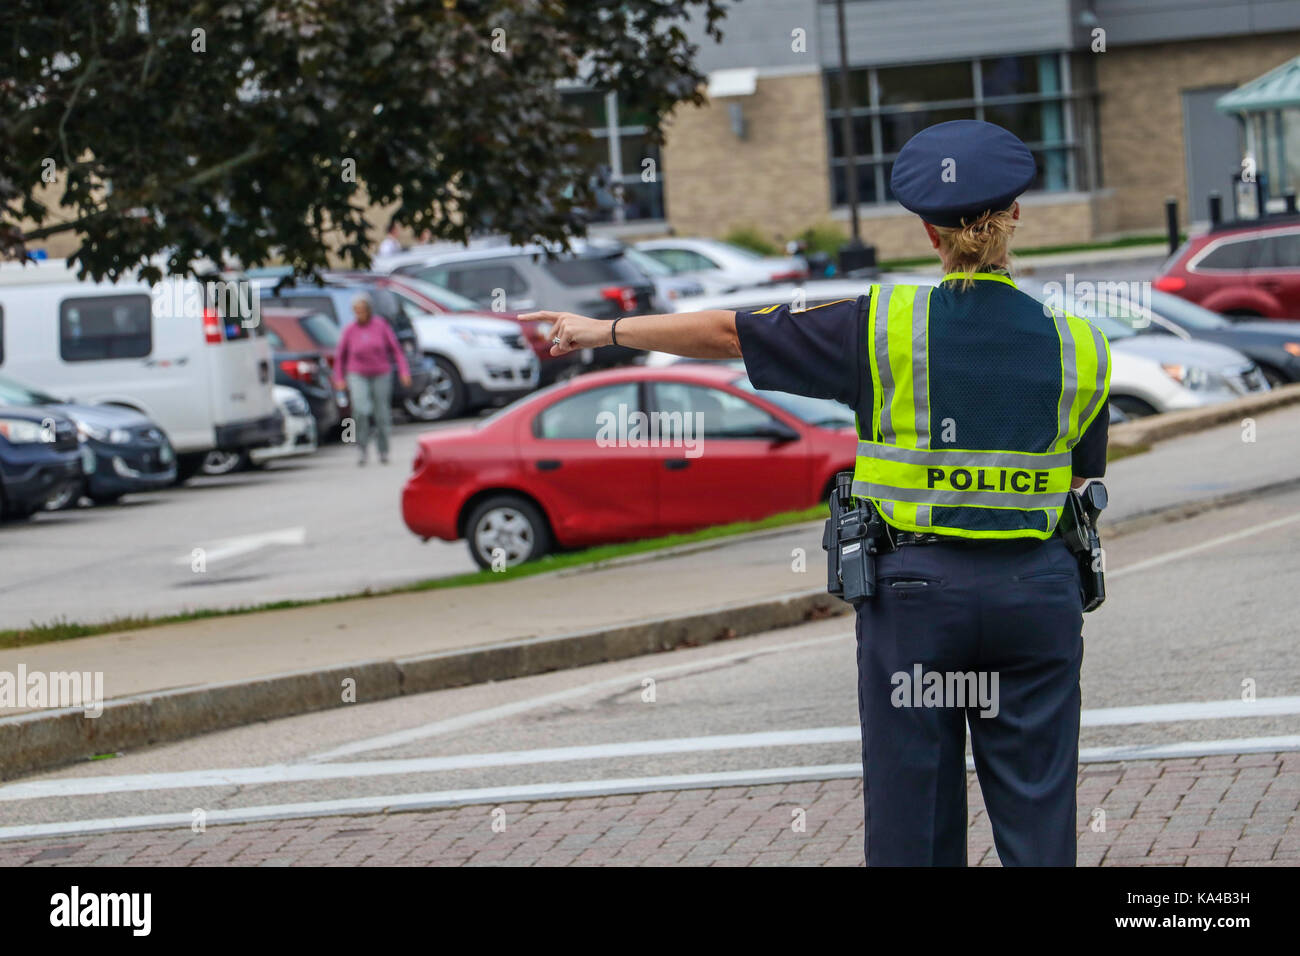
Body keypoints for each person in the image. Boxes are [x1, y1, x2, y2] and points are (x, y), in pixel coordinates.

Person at [522, 119, 1111, 867]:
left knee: (915, 821)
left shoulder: (883, 326)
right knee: (1038, 815)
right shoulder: (1079, 343)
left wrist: (602, 329)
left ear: (929, 233)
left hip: (918, 602)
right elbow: (1083, 476)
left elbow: (730, 333)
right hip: (1036, 594)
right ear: (1016, 218)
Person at [334, 293, 411, 465]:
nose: (359, 314)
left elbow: (396, 350)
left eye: (362, 310)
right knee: (360, 409)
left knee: (381, 412)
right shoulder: (350, 330)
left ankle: (383, 450)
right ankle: (361, 447)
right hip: (357, 373)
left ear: (368, 310)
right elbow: (340, 356)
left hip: (381, 372)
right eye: (356, 311)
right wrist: (338, 377)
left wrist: (404, 372)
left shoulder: (380, 326)